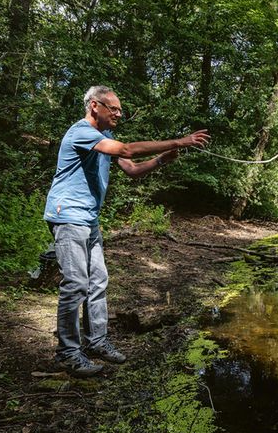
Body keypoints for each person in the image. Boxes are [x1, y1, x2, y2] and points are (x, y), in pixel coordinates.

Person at [44, 85, 210, 377]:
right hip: (68, 215)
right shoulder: (81, 132)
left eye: (120, 110)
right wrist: (180, 140)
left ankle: (96, 342)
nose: (119, 114)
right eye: (114, 108)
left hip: (88, 219)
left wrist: (162, 159)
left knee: (98, 281)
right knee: (76, 284)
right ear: (95, 106)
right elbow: (127, 149)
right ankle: (67, 354)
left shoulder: (105, 137)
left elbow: (132, 169)